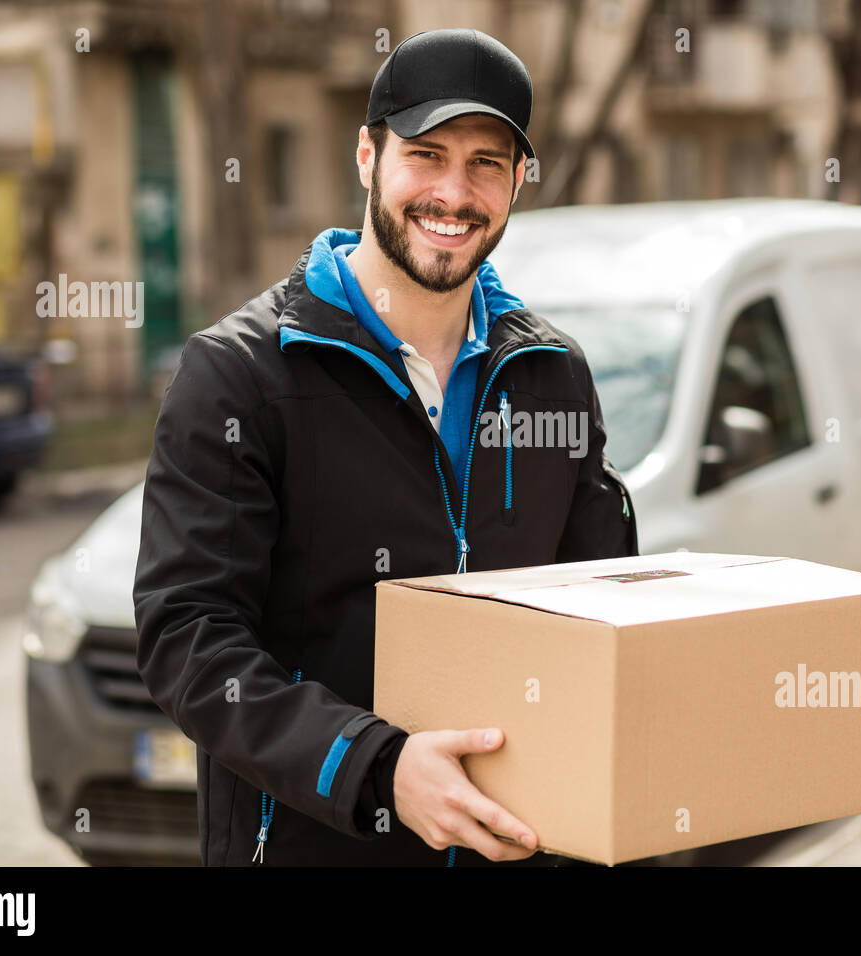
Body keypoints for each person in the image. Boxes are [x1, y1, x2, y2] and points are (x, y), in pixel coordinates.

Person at [133, 27, 637, 866]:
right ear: (367, 157)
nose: (454, 192)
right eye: (427, 154)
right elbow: (190, 638)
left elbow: (593, 615)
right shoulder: (241, 376)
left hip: (517, 845)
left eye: (486, 163)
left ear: (518, 181)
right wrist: (380, 767)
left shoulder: (551, 378)